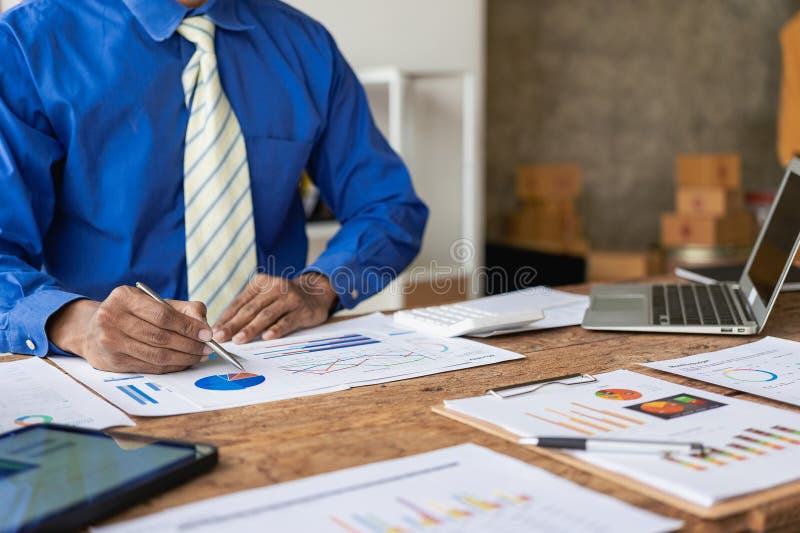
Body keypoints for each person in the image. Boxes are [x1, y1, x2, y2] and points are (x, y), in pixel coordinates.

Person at [0, 0, 428, 373]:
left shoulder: (306, 46)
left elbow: (390, 206)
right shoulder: (27, 44)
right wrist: (75, 324)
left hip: (276, 364)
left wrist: (321, 286)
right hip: (99, 382)